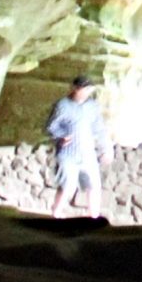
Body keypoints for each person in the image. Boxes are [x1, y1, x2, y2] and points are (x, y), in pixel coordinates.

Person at [46, 75, 111, 218]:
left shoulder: (92, 106)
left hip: (87, 153)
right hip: (68, 153)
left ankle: (93, 216)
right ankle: (55, 214)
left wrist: (105, 149)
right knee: (67, 185)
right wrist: (61, 136)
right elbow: (51, 126)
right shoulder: (62, 105)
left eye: (88, 90)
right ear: (75, 88)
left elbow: (99, 128)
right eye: (83, 89)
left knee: (93, 186)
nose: (86, 93)